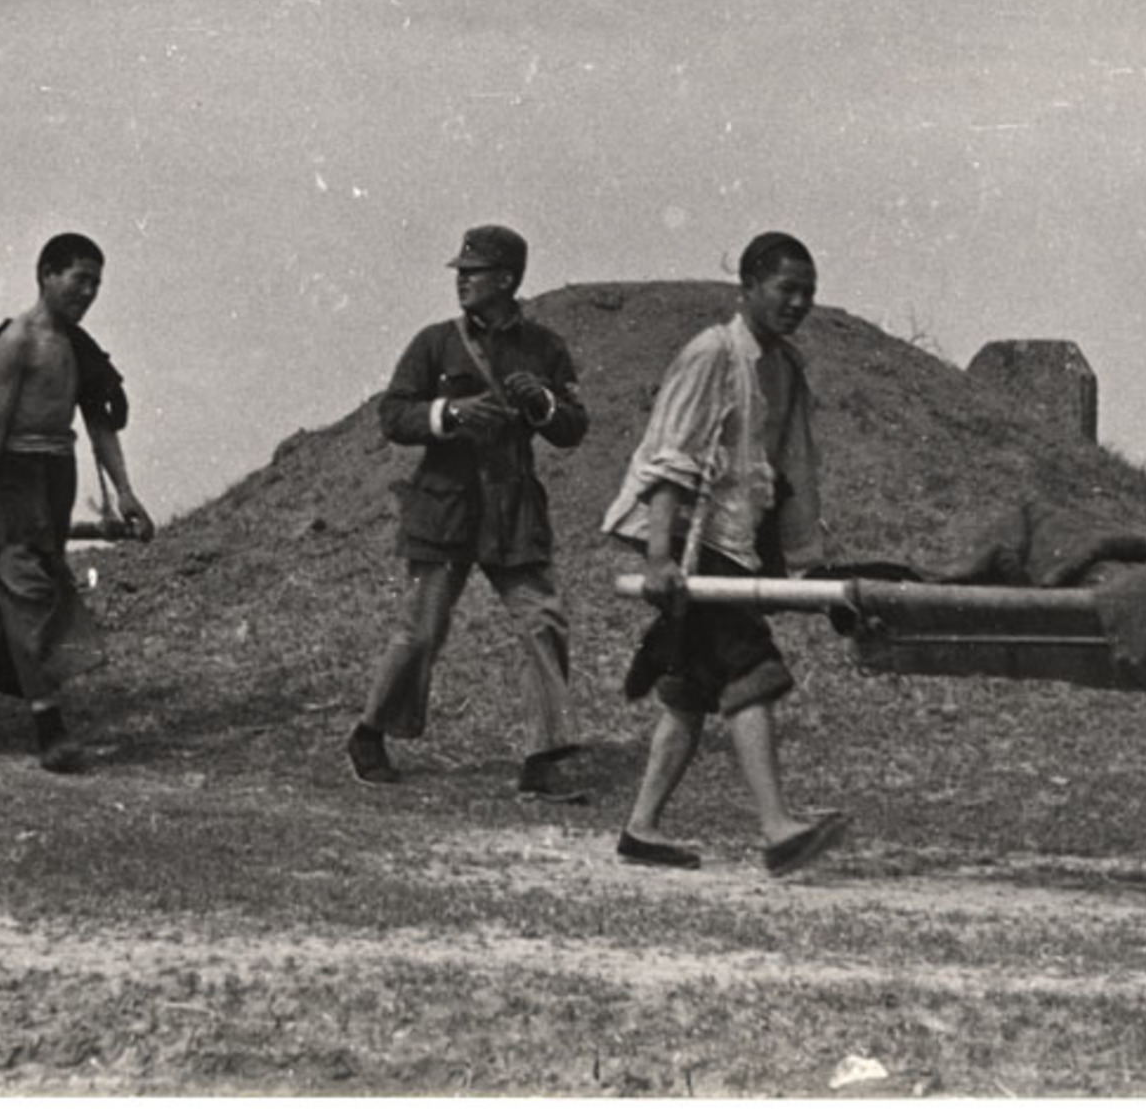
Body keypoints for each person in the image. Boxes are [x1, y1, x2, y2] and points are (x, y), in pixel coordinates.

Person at [602, 231, 846, 876]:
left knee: (689, 692)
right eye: (785, 289)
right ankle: (776, 828)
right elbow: (670, 459)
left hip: (738, 544)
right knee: (750, 670)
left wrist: (804, 560)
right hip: (692, 544)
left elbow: (790, 468)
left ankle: (642, 827)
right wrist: (658, 559)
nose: (798, 303)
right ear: (749, 286)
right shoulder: (711, 355)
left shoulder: (785, 370)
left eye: (808, 293)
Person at [346, 224, 591, 799]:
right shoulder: (434, 343)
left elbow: (574, 428)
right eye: (460, 272)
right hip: (445, 506)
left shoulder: (546, 347)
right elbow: (394, 415)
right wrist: (450, 415)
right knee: (420, 630)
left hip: (512, 510)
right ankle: (369, 734)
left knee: (543, 622)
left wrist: (543, 404)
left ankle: (543, 757)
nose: (461, 281)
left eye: (472, 272)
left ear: (506, 280)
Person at [0, 231, 149, 773]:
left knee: (24, 594)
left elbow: (99, 424)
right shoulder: (16, 342)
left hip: (56, 473)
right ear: (47, 275)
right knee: (29, 592)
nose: (89, 293)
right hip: (12, 475)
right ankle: (48, 727)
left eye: (97, 284)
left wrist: (125, 493)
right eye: (80, 280)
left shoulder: (78, 347)